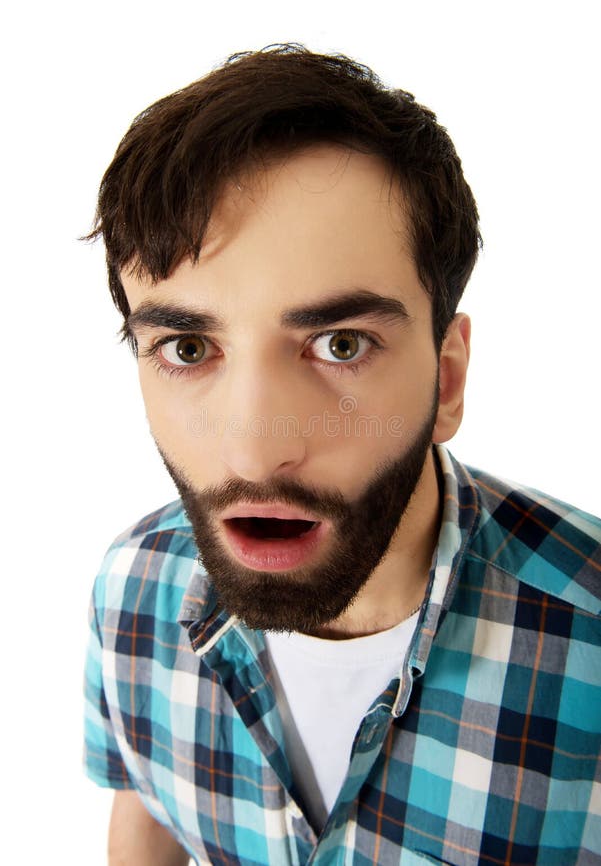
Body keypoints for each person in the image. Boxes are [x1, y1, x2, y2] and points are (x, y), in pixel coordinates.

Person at [83, 44, 601, 866]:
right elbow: (146, 814)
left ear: (448, 377)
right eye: (186, 347)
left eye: (340, 343)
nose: (253, 451)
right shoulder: (131, 591)